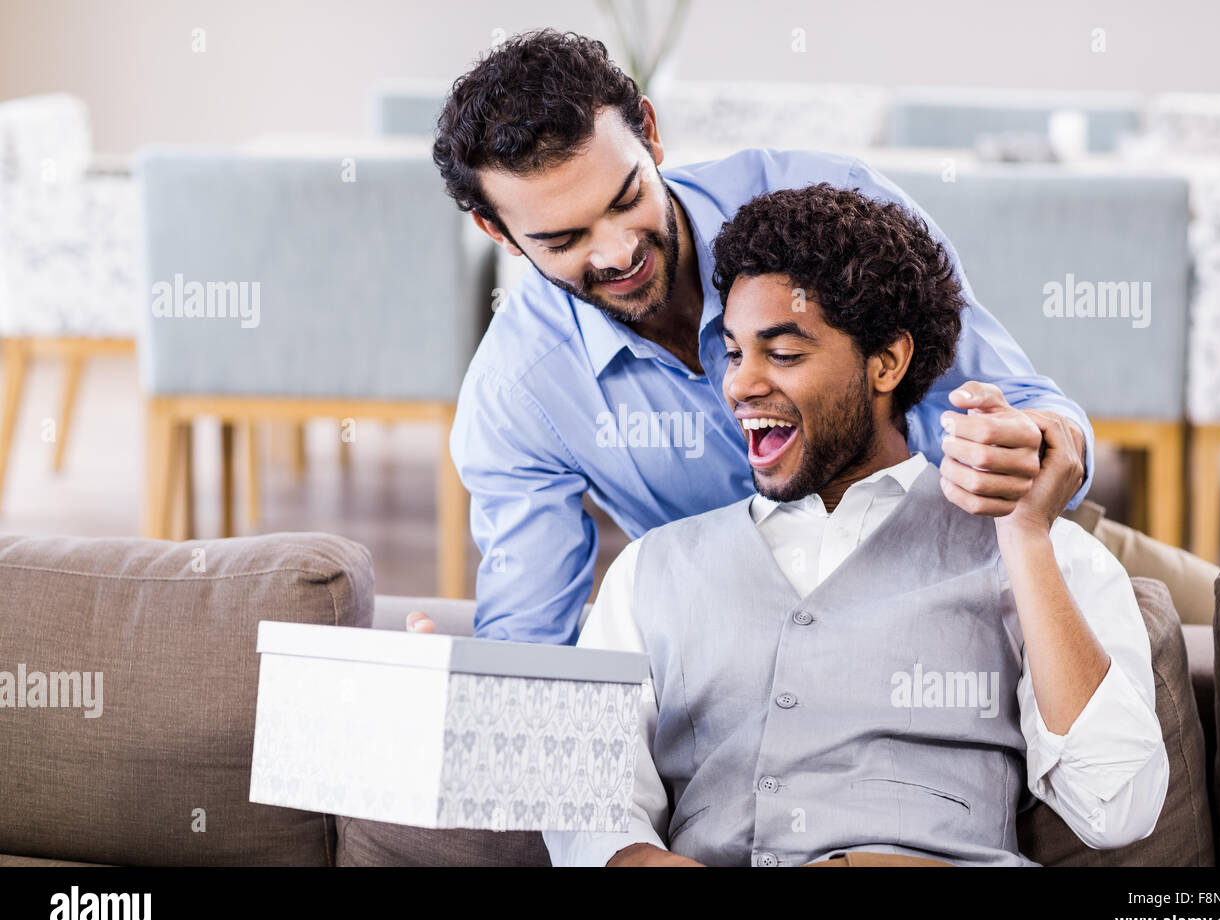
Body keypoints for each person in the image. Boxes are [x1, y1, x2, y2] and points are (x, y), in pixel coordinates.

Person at [542, 185, 1168, 867]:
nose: (739, 386)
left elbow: (1119, 805)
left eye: (782, 354)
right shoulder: (651, 570)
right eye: (733, 353)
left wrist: (1024, 535)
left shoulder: (1034, 552)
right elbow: (583, 790)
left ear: (886, 362)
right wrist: (632, 857)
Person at [408, 29, 1095, 645]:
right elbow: (530, 643)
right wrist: (454, 698)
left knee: (1170, 604)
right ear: (497, 232)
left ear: (649, 132)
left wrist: (1034, 442)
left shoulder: (828, 200)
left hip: (977, 576)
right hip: (768, 641)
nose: (618, 253)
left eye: (626, 199)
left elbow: (1030, 407)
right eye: (564, 239)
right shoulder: (518, 395)